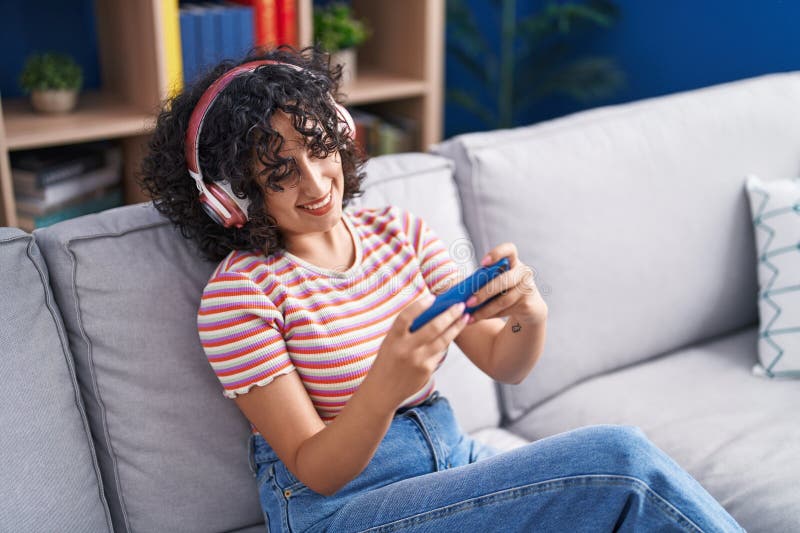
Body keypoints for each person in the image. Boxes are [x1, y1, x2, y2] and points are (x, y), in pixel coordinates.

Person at [139, 45, 745, 533]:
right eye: (280, 173)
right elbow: (314, 471)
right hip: (344, 510)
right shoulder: (239, 297)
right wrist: (386, 384)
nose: (316, 183)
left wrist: (527, 314)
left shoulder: (400, 233)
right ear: (233, 197)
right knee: (621, 464)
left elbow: (502, 362)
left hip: (453, 468)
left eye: (320, 150)